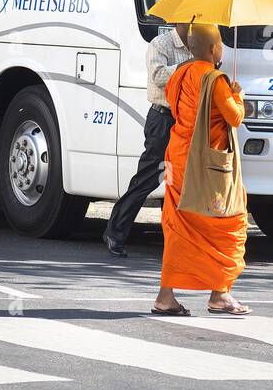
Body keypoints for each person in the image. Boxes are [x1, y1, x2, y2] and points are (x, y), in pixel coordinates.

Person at [151, 24, 250, 316]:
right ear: (213, 49)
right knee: (229, 222)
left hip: (177, 157)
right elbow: (234, 118)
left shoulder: (180, 73)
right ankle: (220, 293)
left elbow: (173, 102)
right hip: (207, 167)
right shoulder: (215, 79)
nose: (222, 49)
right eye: (220, 44)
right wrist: (238, 97)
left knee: (177, 224)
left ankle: (165, 297)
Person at [102, 23, 192, 257]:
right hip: (162, 118)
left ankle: (174, 239)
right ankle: (115, 231)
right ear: (182, 20)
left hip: (184, 120)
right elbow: (159, 76)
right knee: (149, 178)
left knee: (177, 181)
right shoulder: (160, 44)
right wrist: (187, 66)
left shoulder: (197, 46)